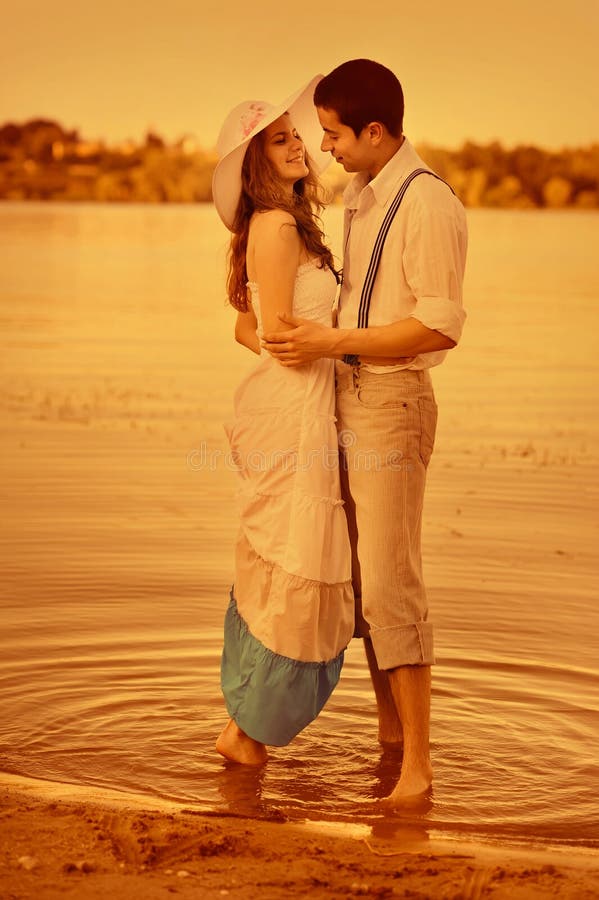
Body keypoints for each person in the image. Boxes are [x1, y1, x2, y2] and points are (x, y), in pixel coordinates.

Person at [262, 59, 468, 803]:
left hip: (392, 402)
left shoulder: (427, 202)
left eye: (333, 134)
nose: (325, 147)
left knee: (390, 584)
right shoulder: (360, 194)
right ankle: (390, 743)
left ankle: (417, 769)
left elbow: (438, 327)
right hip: (346, 398)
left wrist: (331, 343)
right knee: (358, 585)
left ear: (375, 131)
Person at [211, 76, 354, 766]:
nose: (297, 145)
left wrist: (311, 352)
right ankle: (245, 735)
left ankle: (245, 731)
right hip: (293, 409)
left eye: (296, 135)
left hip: (300, 401)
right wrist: (344, 348)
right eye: (279, 141)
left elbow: (251, 328)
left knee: (292, 556)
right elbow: (276, 333)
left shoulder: (285, 224)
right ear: (255, 162)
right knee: (293, 555)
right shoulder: (274, 225)